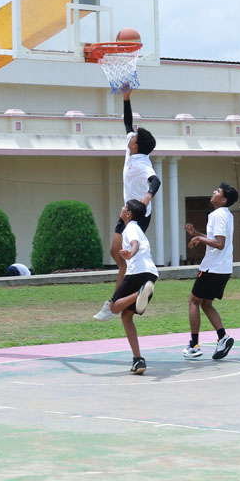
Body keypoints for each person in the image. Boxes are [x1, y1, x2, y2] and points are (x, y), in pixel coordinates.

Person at [95, 84, 161, 321]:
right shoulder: (131, 150)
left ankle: (117, 300)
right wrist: (126, 98)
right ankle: (128, 292)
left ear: (136, 145)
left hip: (140, 213)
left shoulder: (143, 163)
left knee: (127, 256)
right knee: (116, 252)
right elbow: (127, 123)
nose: (130, 135)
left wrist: (148, 195)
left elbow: (156, 181)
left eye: (133, 136)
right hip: (128, 210)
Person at [182, 182, 239, 360]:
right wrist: (196, 233)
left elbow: (219, 244)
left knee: (193, 301)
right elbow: (216, 239)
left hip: (212, 268)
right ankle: (223, 337)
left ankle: (194, 345)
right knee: (206, 304)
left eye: (217, 191)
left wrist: (199, 237)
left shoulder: (217, 215)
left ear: (223, 200)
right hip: (222, 268)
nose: (213, 192)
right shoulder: (226, 214)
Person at [108, 199, 159, 375]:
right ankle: (138, 360)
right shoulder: (137, 227)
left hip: (137, 272)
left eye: (124, 207)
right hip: (151, 274)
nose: (121, 209)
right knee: (126, 315)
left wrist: (131, 253)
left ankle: (140, 294)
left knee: (113, 307)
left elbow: (135, 244)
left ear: (128, 213)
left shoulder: (129, 228)